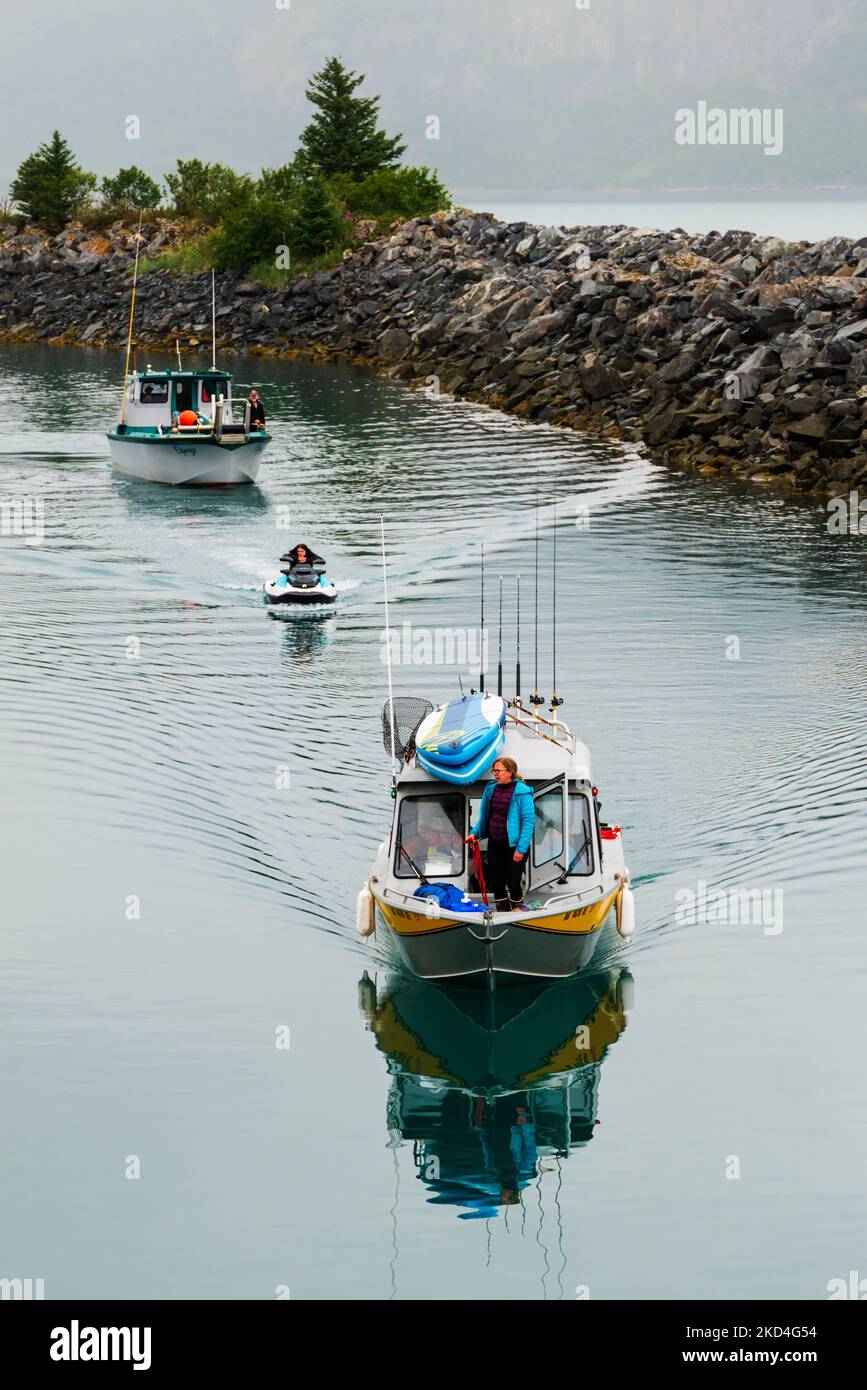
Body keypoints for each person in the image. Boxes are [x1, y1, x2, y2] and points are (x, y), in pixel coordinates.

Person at [466, 757, 535, 910]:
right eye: (494, 771)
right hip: (495, 845)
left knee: (513, 883)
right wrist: (474, 834)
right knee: (495, 882)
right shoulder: (491, 789)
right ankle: (503, 911)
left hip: (514, 847)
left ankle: (518, 910)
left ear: (510, 772)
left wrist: (521, 849)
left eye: (498, 771)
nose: (495, 774)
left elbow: (528, 823)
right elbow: (485, 817)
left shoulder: (523, 792)